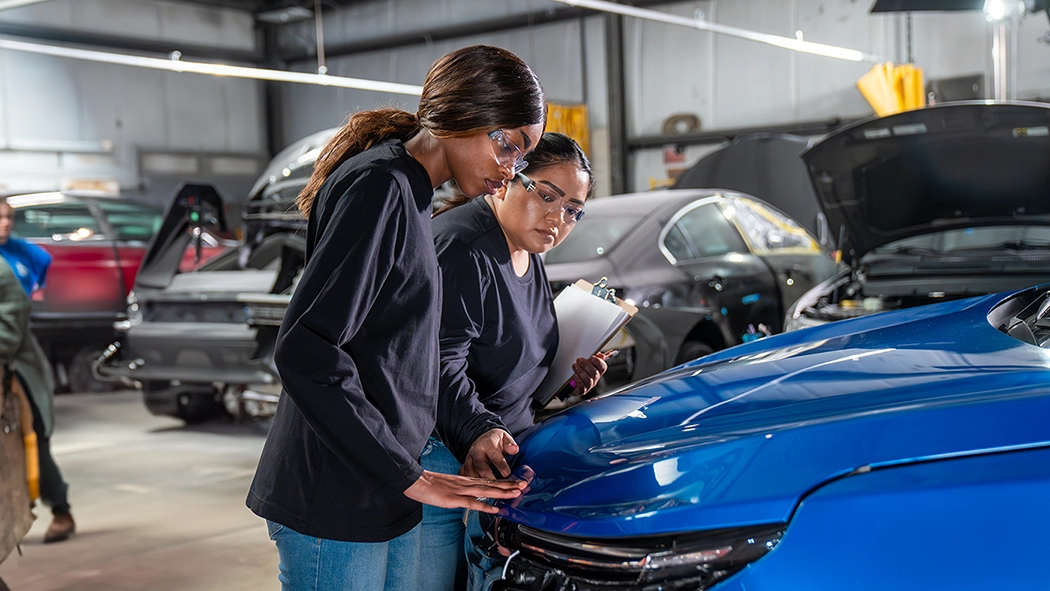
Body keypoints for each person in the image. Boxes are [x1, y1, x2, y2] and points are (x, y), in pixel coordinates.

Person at [246, 44, 547, 591]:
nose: (509, 168)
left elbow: (389, 347)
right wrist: (407, 475)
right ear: (460, 114)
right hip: (337, 493)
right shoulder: (381, 186)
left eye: (520, 155)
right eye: (506, 143)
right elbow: (307, 349)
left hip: (374, 481)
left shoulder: (409, 189)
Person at [423, 133, 608, 590]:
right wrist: (478, 432)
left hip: (502, 454)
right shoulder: (464, 248)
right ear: (506, 180)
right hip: (450, 453)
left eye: (573, 210)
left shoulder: (527, 248)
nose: (557, 218)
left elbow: (514, 358)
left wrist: (568, 381)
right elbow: (437, 364)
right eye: (547, 195)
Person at [0, 198, 74, 544]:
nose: (4, 223)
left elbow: (14, 318)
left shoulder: (13, 261)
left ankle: (60, 508)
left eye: (7, 217)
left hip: (18, 370)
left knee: (35, 440)